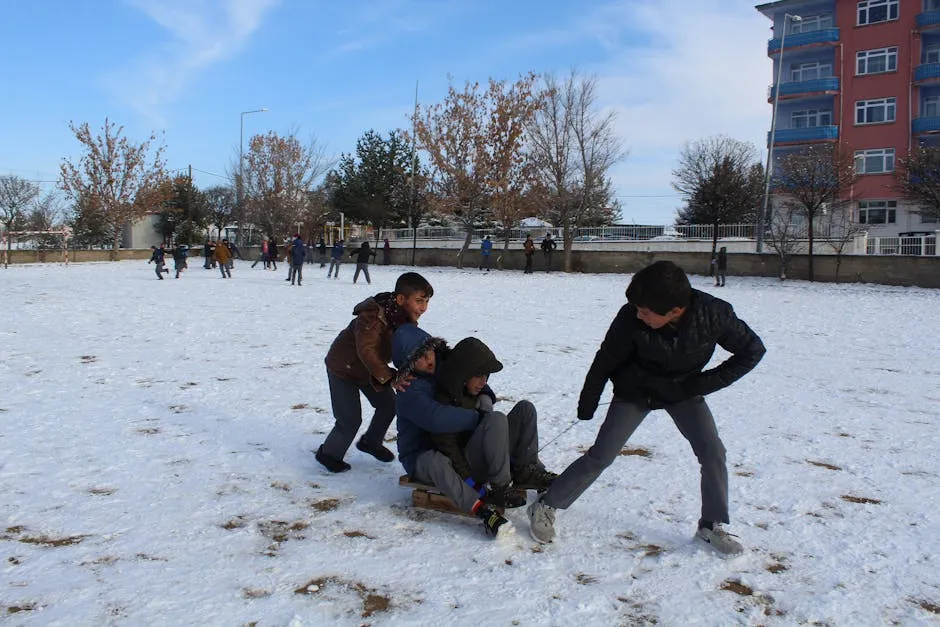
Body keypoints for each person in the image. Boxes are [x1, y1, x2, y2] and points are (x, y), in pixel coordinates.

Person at [526, 260, 766, 554]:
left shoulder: (714, 314)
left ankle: (711, 525)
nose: (638, 315)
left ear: (675, 310)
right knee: (602, 455)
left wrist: (696, 386)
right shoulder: (630, 317)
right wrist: (589, 397)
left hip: (682, 390)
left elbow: (752, 350)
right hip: (636, 391)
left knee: (713, 452)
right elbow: (606, 358)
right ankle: (546, 504)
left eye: (646, 312)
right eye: (637, 308)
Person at [392, 325, 510, 537]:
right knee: (436, 461)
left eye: (428, 352)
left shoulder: (444, 363)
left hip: (454, 443)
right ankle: (482, 511)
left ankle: (506, 482)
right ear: (407, 365)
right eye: (418, 359)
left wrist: (484, 397)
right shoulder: (408, 389)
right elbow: (436, 419)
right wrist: (478, 418)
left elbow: (472, 372)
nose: (428, 360)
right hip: (421, 454)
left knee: (497, 424)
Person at [315, 272, 434, 473]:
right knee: (350, 419)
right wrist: (391, 377)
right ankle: (328, 454)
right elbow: (367, 351)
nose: (423, 307)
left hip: (369, 370)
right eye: (419, 301)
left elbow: (406, 348)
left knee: (390, 405)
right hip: (344, 369)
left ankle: (371, 442)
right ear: (401, 299)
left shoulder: (404, 319)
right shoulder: (372, 317)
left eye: (427, 301)